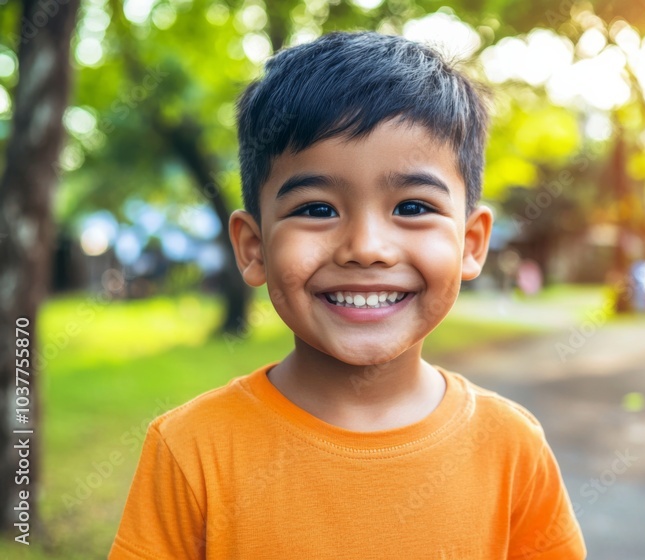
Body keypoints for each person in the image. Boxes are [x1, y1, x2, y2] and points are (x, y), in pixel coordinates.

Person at [108, 31, 586, 559]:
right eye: (317, 209)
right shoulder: (191, 450)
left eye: (411, 207)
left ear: (471, 243)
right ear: (254, 248)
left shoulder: (512, 447)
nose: (366, 248)